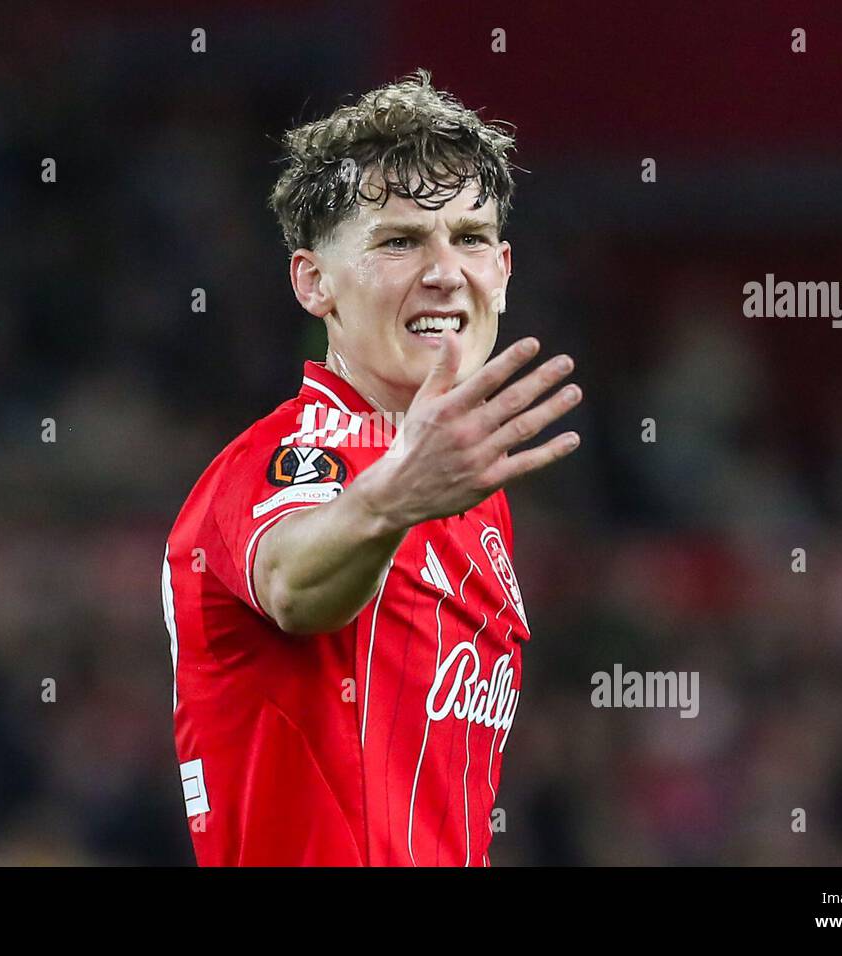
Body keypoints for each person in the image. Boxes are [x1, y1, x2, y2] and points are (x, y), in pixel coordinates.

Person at [161, 69, 582, 865]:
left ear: (504, 266)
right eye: (399, 241)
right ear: (314, 282)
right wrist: (389, 503)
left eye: (470, 237)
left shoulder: (468, 491)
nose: (445, 271)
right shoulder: (284, 457)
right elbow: (292, 584)